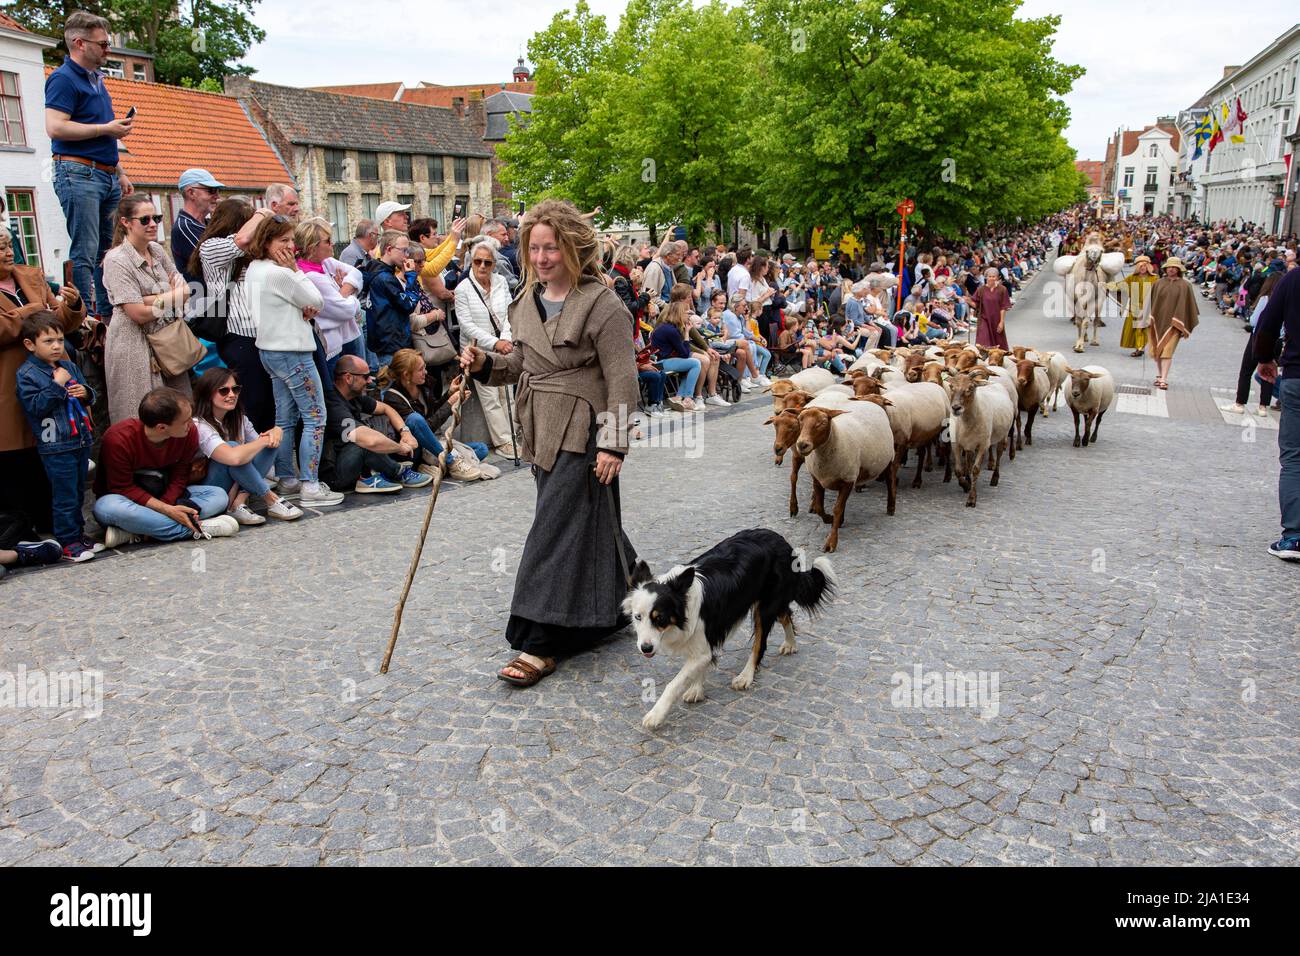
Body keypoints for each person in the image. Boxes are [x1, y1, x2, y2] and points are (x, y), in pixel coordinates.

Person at [460, 198, 640, 688]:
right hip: (538, 425)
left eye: (551, 249)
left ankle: (537, 640)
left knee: (552, 529)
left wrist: (614, 444)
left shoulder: (604, 306)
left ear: (574, 250)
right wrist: (482, 366)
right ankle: (629, 591)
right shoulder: (523, 301)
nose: (541, 258)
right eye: (534, 248)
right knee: (581, 517)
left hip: (584, 430)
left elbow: (624, 381)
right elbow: (520, 364)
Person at [247, 213, 343, 507]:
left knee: (284, 419)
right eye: (284, 240)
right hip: (292, 351)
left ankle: (288, 478)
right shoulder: (280, 272)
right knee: (315, 416)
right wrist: (297, 271)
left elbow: (306, 304)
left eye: (292, 240)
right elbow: (317, 302)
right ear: (267, 242)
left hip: (271, 350)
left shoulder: (255, 268)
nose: (291, 247)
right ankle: (310, 483)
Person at [44, 10, 133, 321]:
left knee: (104, 252)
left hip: (104, 173)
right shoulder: (62, 79)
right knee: (85, 250)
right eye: (103, 44)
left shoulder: (97, 80)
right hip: (78, 172)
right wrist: (106, 129)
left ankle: (107, 313)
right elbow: (55, 128)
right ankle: (83, 318)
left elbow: (100, 130)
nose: (108, 50)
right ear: (79, 43)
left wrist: (119, 170)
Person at [0, 231, 86, 537]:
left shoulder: (30, 275)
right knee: (18, 454)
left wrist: (71, 307)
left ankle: (60, 528)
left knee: (55, 448)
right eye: (1, 248)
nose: (9, 253)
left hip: (55, 372)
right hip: (10, 380)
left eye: (9, 245)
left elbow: (57, 321)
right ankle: (25, 531)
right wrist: (30, 311)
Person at [92, 387, 237, 547]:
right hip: (126, 501)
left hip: (166, 496)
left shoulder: (188, 433)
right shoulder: (118, 439)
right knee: (106, 507)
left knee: (219, 496)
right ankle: (198, 529)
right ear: (162, 427)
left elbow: (180, 475)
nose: (192, 423)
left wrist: (168, 506)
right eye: (185, 421)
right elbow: (123, 487)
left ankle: (138, 532)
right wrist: (167, 510)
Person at [15, 312, 99, 560]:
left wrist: (85, 392)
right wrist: (57, 385)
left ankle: (79, 534)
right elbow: (36, 407)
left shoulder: (69, 365)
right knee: (64, 495)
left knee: (78, 491)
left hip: (81, 439)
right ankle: (67, 541)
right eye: (48, 341)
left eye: (60, 340)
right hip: (56, 444)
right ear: (30, 345)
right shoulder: (27, 374)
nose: (56, 346)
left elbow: (89, 396)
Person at [101, 195, 192, 424]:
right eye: (145, 219)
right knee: (140, 410)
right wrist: (172, 297)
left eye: (157, 218)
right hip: (134, 344)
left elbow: (185, 289)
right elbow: (137, 314)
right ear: (126, 222)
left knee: (180, 405)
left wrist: (147, 299)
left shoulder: (157, 250)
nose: (153, 224)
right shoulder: (117, 260)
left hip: (168, 339)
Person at [192, 200, 276, 431]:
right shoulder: (211, 248)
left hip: (263, 334)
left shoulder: (252, 255)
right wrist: (260, 213)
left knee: (269, 403)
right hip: (238, 334)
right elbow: (241, 240)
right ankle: (247, 454)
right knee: (254, 402)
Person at [190, 368, 303, 524]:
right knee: (234, 447)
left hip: (235, 482)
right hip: (209, 487)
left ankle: (238, 503)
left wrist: (275, 433)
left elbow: (259, 449)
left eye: (235, 389)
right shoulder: (199, 425)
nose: (231, 395)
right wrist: (265, 439)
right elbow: (234, 457)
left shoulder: (239, 419)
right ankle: (270, 499)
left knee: (268, 443)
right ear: (208, 394)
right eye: (224, 391)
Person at [320, 354, 433, 493]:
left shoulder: (353, 396)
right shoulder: (332, 404)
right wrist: (399, 448)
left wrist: (405, 432)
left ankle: (369, 476)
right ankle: (397, 472)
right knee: (365, 441)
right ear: (348, 378)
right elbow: (369, 441)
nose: (370, 381)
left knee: (374, 436)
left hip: (348, 458)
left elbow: (386, 408)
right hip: (332, 476)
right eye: (365, 376)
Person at [377, 348, 493, 481]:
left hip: (431, 445)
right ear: (406, 375)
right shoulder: (392, 397)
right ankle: (451, 463)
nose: (425, 372)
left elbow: (433, 412)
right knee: (415, 419)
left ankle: (433, 467)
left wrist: (448, 394)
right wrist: (449, 404)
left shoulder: (423, 385)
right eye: (420, 369)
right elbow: (425, 427)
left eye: (424, 367)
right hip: (412, 451)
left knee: (481, 449)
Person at [455, 237, 519, 456]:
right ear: (471, 262)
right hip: (478, 349)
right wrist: (495, 342)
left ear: (494, 263)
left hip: (504, 344)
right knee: (490, 396)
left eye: (487, 262)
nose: (482, 266)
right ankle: (503, 442)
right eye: (477, 261)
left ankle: (514, 433)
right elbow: (466, 325)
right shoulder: (463, 288)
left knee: (507, 394)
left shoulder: (500, 282)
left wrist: (506, 339)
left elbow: (510, 312)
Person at [1254, 265, 1299, 560]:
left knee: (1295, 457)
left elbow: (1267, 323)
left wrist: (1264, 358)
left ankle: (1295, 536)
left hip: (1298, 374)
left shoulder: (1294, 279)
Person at [294, 219, 363, 379]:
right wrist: (350, 294)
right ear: (312, 247)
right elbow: (345, 311)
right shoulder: (311, 276)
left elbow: (356, 273)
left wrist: (341, 292)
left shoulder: (326, 263)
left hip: (344, 336)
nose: (332, 244)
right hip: (332, 346)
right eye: (327, 241)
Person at [364, 230, 425, 368]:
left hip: (387, 342)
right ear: (389, 249)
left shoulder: (378, 271)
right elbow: (408, 305)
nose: (406, 256)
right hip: (390, 344)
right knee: (391, 385)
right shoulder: (385, 278)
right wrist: (411, 277)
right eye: (404, 251)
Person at [1232, 268, 1282, 416]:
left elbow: (1254, 321)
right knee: (1268, 373)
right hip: (1277, 340)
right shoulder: (1285, 301)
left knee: (1246, 371)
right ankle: (1263, 407)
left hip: (1259, 337)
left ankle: (1240, 403)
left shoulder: (1265, 299)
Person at [1145, 257, 1198, 390]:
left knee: (1167, 351)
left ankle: (1164, 378)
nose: (1171, 269)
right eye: (1169, 267)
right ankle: (1160, 375)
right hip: (1156, 322)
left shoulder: (1185, 285)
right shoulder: (1158, 283)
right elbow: (1150, 302)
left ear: (1179, 269)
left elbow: (1189, 306)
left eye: (1174, 267)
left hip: (1174, 324)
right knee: (1157, 351)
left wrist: (1182, 321)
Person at [171, 169, 223, 284]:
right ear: (191, 193)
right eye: (211, 190)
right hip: (205, 300)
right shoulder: (183, 228)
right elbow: (217, 260)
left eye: (218, 190)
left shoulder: (208, 223)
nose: (217, 196)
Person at [1107, 255, 1156, 357]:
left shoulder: (1155, 278)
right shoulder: (1131, 278)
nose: (1143, 268)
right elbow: (1119, 286)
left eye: (1145, 266)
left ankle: (1140, 347)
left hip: (1149, 307)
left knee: (1143, 329)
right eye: (1140, 266)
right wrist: (1106, 285)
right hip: (1135, 308)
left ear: (1149, 267)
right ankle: (1139, 348)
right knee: (1137, 329)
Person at [972, 267, 1011, 349]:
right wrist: (968, 301)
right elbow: (976, 304)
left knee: (999, 342)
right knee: (983, 340)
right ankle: (983, 357)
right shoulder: (981, 290)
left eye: (994, 276)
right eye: (989, 276)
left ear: (997, 277)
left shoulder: (1002, 289)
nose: (991, 278)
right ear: (986, 277)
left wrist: (1001, 322)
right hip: (984, 318)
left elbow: (1003, 307)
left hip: (996, 318)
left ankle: (996, 358)